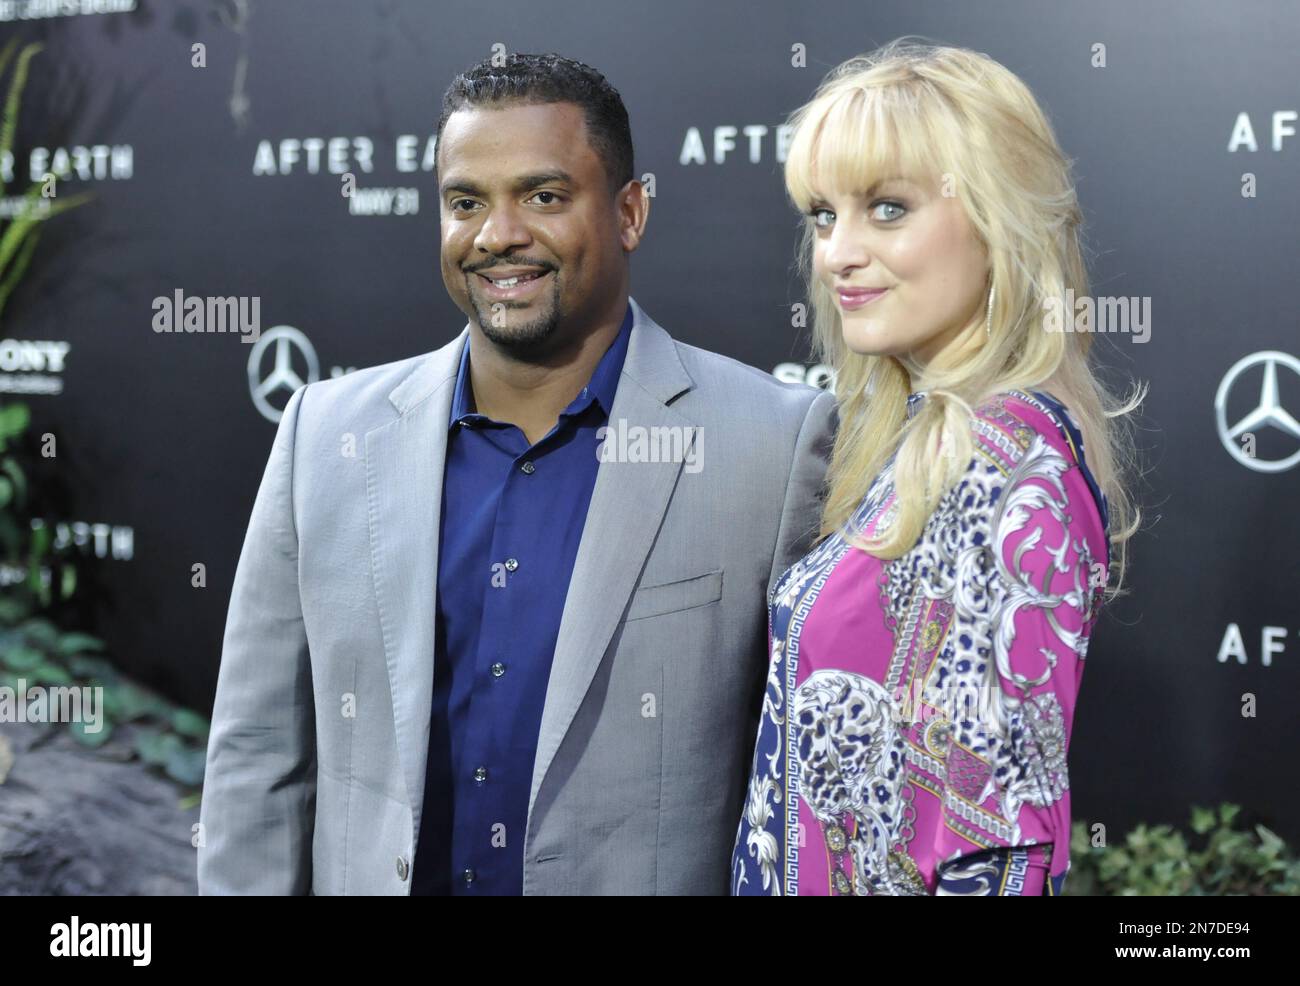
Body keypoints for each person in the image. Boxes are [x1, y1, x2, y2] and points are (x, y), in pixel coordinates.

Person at [197, 52, 835, 895]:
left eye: (543, 195)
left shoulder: (774, 445)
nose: (497, 234)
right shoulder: (325, 435)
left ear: (631, 212)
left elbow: (807, 799)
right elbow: (257, 757)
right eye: (466, 202)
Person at [732, 38, 1143, 896]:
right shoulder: (931, 439)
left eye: (887, 209)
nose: (837, 252)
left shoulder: (1006, 461)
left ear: (997, 221)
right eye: (822, 214)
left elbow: (1000, 840)